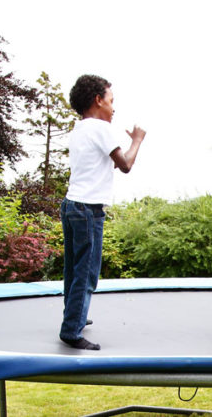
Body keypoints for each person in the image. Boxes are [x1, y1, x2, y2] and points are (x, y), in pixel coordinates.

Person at [59, 74, 146, 350]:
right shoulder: (101, 128)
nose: (113, 107)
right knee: (86, 273)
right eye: (111, 100)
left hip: (71, 205)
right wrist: (138, 140)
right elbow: (125, 164)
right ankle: (72, 330)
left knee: (73, 270)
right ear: (98, 100)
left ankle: (75, 317)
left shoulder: (80, 129)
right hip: (88, 211)